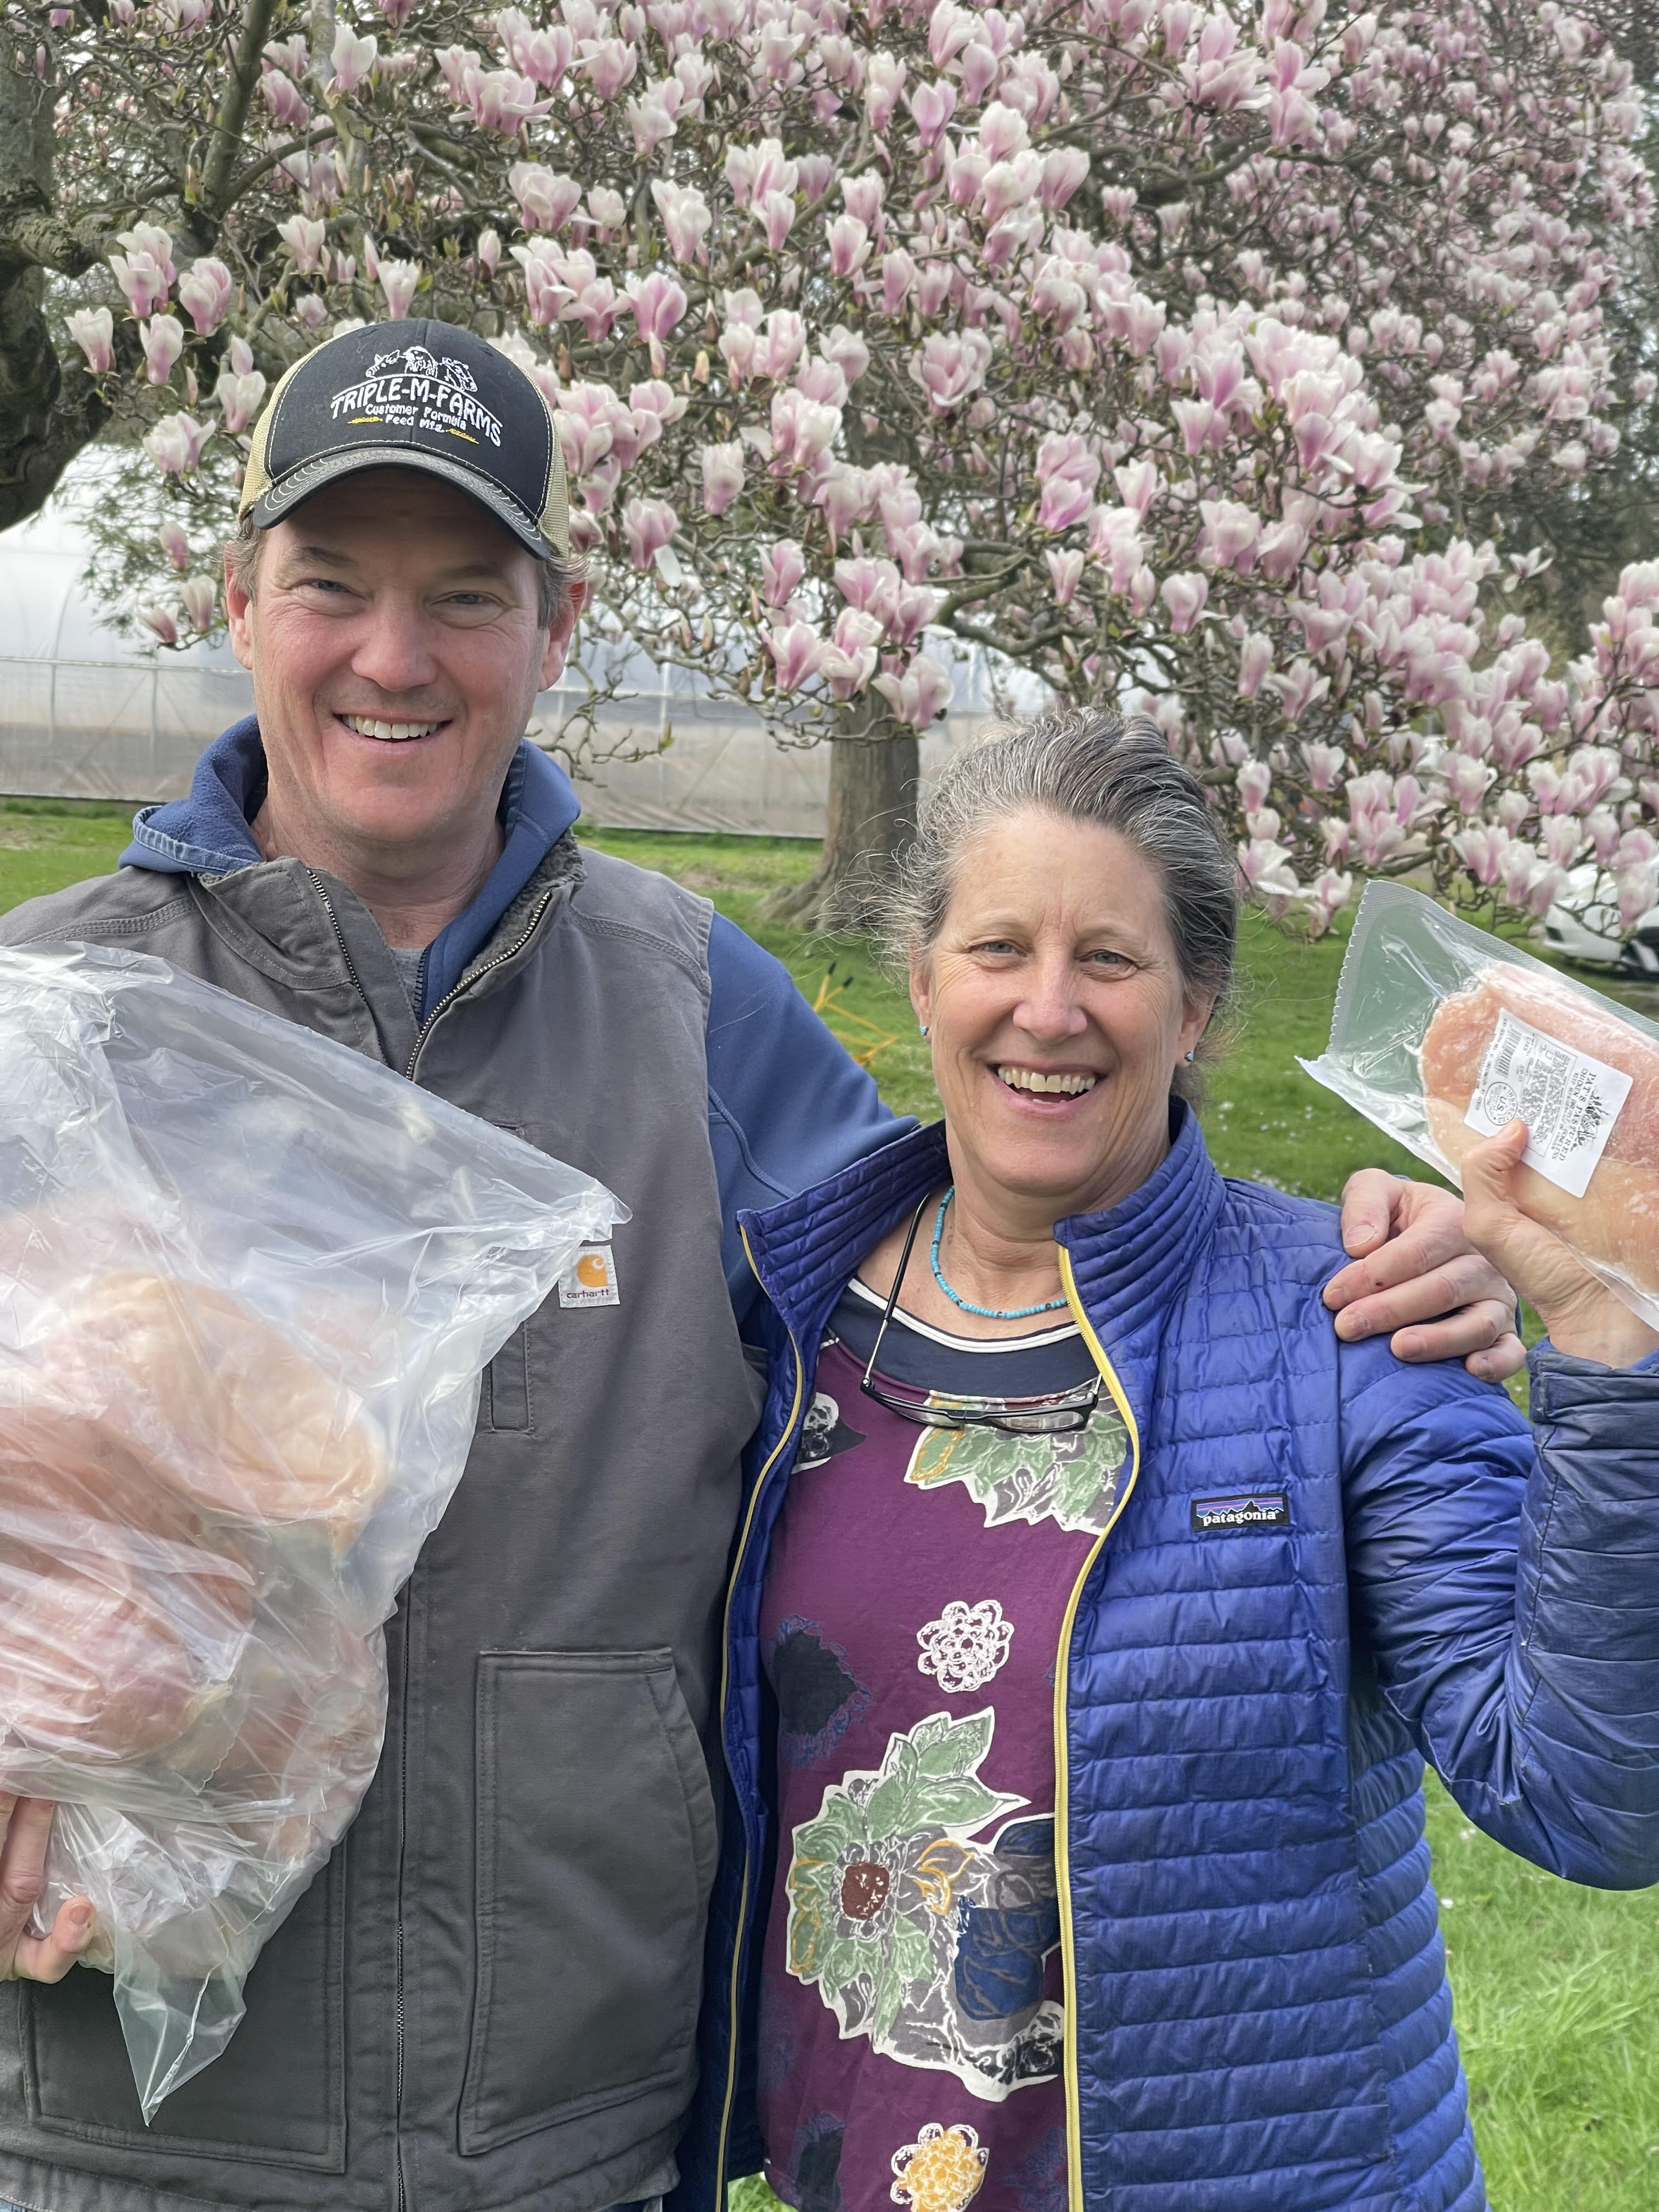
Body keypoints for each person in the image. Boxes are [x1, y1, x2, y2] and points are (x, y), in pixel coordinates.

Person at [0, 324, 1516, 2212]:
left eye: (465, 597)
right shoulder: (55, 1013)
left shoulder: (693, 1010)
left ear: (554, 627)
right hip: (116, 2124)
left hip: (560, 2143)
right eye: (332, 587)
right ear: (238, 603)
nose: (395, 658)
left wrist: (1369, 1258)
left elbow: (1011, 1231)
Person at [676, 712, 1659, 2212]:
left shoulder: (1348, 1324)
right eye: (999, 949)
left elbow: (1588, 1799)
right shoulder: (780, 1320)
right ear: (925, 975)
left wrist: (1604, 1336)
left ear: (1197, 1004)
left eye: (1113, 962)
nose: (1049, 1010)